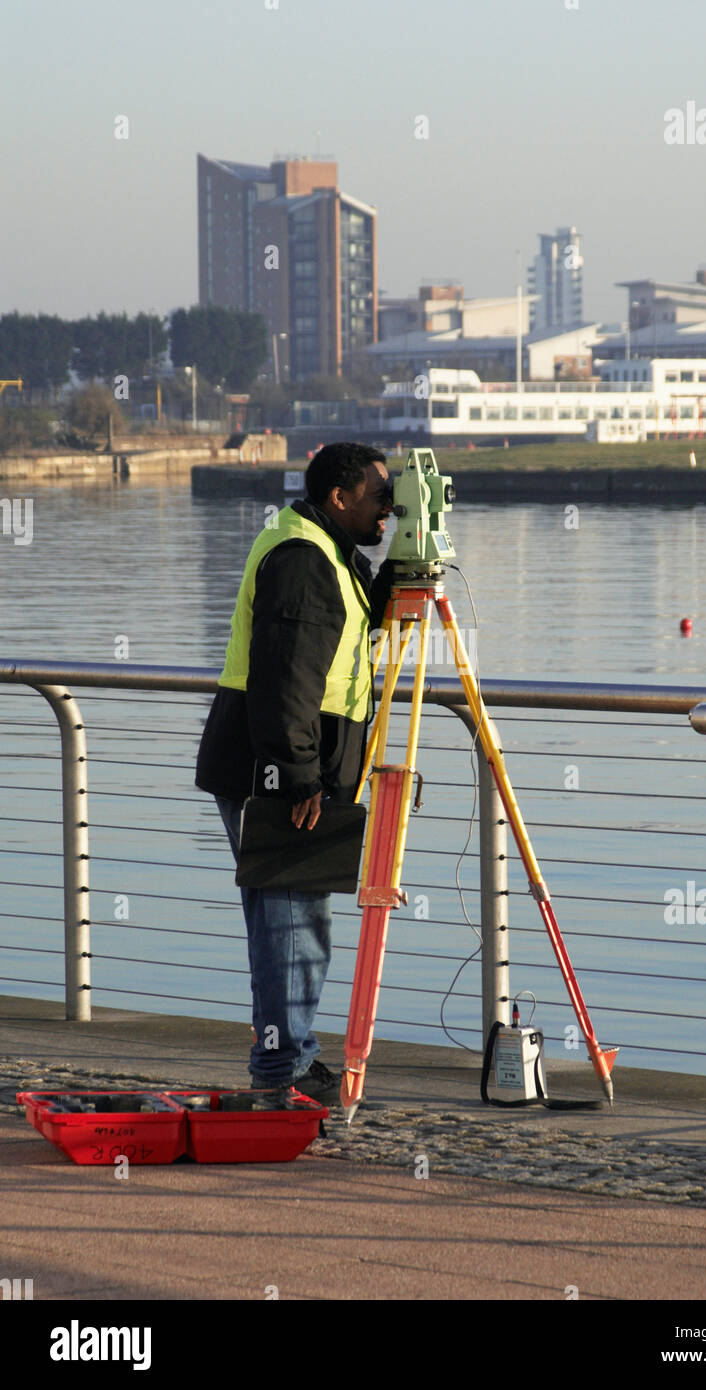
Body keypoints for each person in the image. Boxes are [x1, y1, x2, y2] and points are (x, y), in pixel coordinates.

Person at [195, 442, 395, 1104]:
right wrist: (297, 776)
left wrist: (404, 573)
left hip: (279, 763)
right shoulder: (305, 560)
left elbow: (347, 624)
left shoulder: (318, 547)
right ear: (340, 499)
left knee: (284, 924)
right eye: (379, 499)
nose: (388, 513)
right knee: (292, 927)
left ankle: (284, 1061)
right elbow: (287, 677)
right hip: (278, 771)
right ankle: (283, 1076)